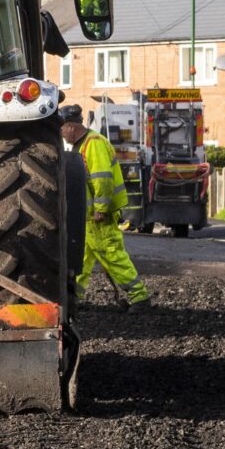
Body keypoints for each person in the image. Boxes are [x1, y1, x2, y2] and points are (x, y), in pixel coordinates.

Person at [60, 104, 149, 307]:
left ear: (72, 127)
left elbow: (103, 179)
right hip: (88, 217)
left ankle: (139, 296)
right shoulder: (82, 145)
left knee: (112, 255)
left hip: (99, 216)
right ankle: (73, 298)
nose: (62, 135)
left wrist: (101, 208)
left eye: (62, 129)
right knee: (81, 258)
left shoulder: (93, 144)